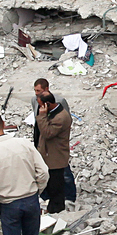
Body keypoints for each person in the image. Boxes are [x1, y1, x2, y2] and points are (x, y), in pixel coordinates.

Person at [32, 78, 76, 214]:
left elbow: (48, 133)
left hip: (56, 154)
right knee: (47, 177)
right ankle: (47, 199)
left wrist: (42, 116)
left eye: (38, 91)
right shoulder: (38, 102)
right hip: (46, 150)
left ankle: (63, 203)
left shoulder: (61, 116)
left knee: (59, 179)